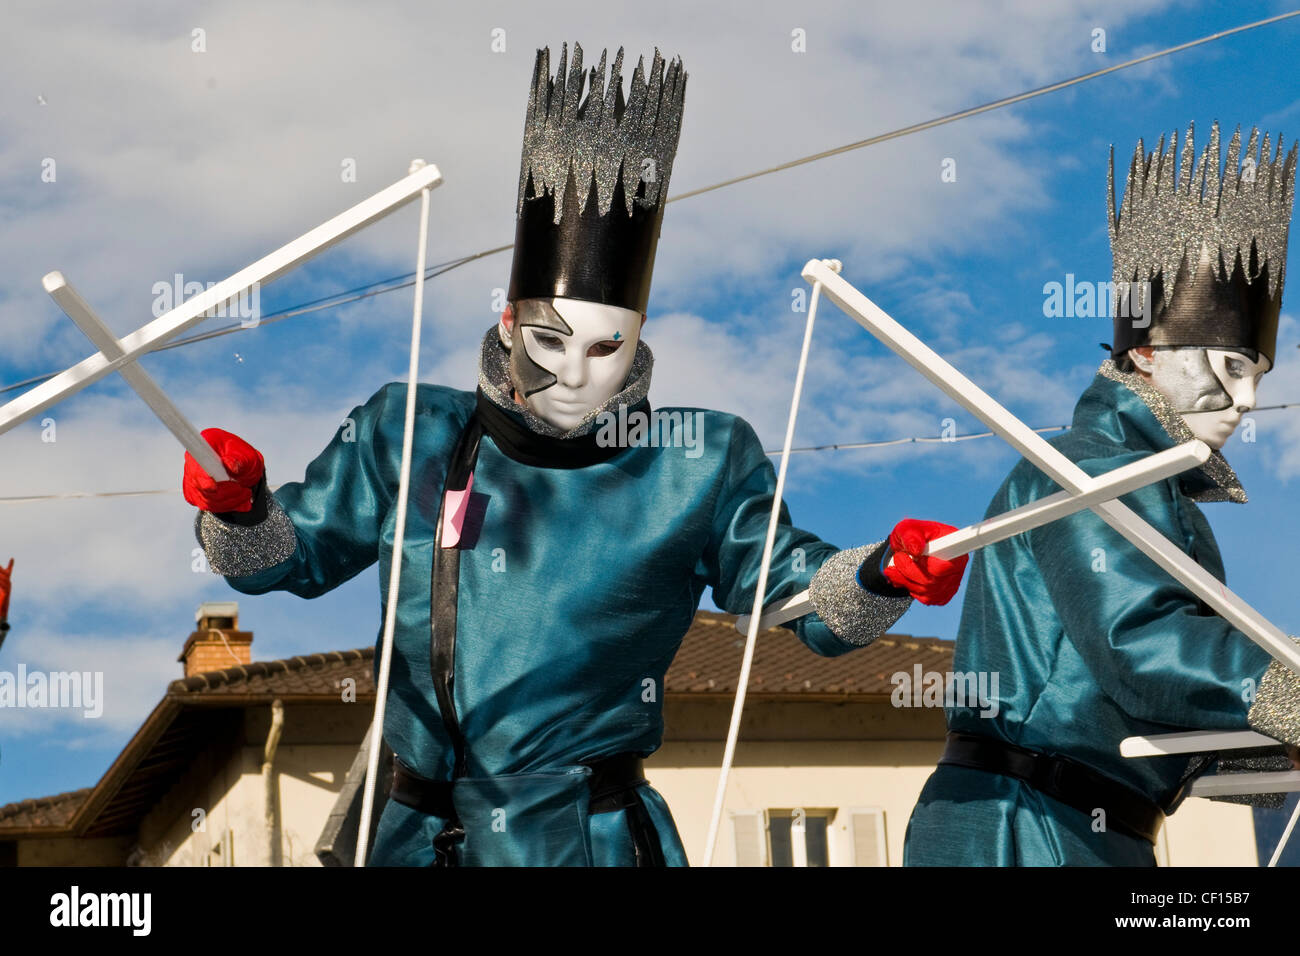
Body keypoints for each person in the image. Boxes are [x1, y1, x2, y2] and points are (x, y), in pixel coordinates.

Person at [184, 42, 967, 867]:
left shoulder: (697, 460)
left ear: (639, 343)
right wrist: (240, 507)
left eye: (606, 348)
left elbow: (789, 597)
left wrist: (882, 573)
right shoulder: (407, 431)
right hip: (412, 838)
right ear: (510, 321)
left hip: (583, 841)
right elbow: (287, 561)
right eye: (551, 339)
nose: (571, 373)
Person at [904, 122, 1300, 866]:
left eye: (1261, 379)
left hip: (1099, 831)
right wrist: (1290, 683)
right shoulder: (1089, 468)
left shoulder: (1158, 491)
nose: (1246, 400)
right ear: (1148, 349)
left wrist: (1268, 753)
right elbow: (1142, 646)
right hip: (1021, 826)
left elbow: (1147, 714)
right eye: (1231, 364)